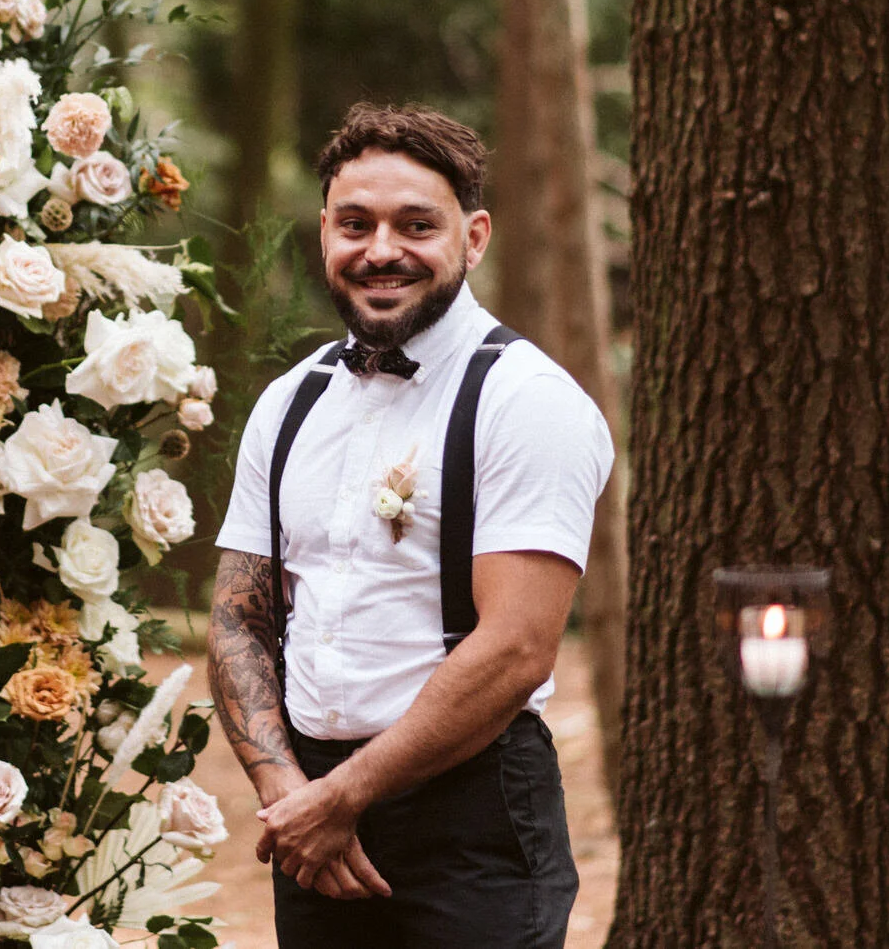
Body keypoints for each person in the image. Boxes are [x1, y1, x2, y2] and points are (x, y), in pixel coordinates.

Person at [209, 103, 614, 949]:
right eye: (355, 224)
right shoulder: (288, 405)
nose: (381, 250)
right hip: (311, 821)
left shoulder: (527, 403)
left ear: (473, 239)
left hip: (473, 820)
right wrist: (292, 794)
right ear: (324, 233)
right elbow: (238, 621)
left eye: (415, 225)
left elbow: (516, 647)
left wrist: (345, 795)